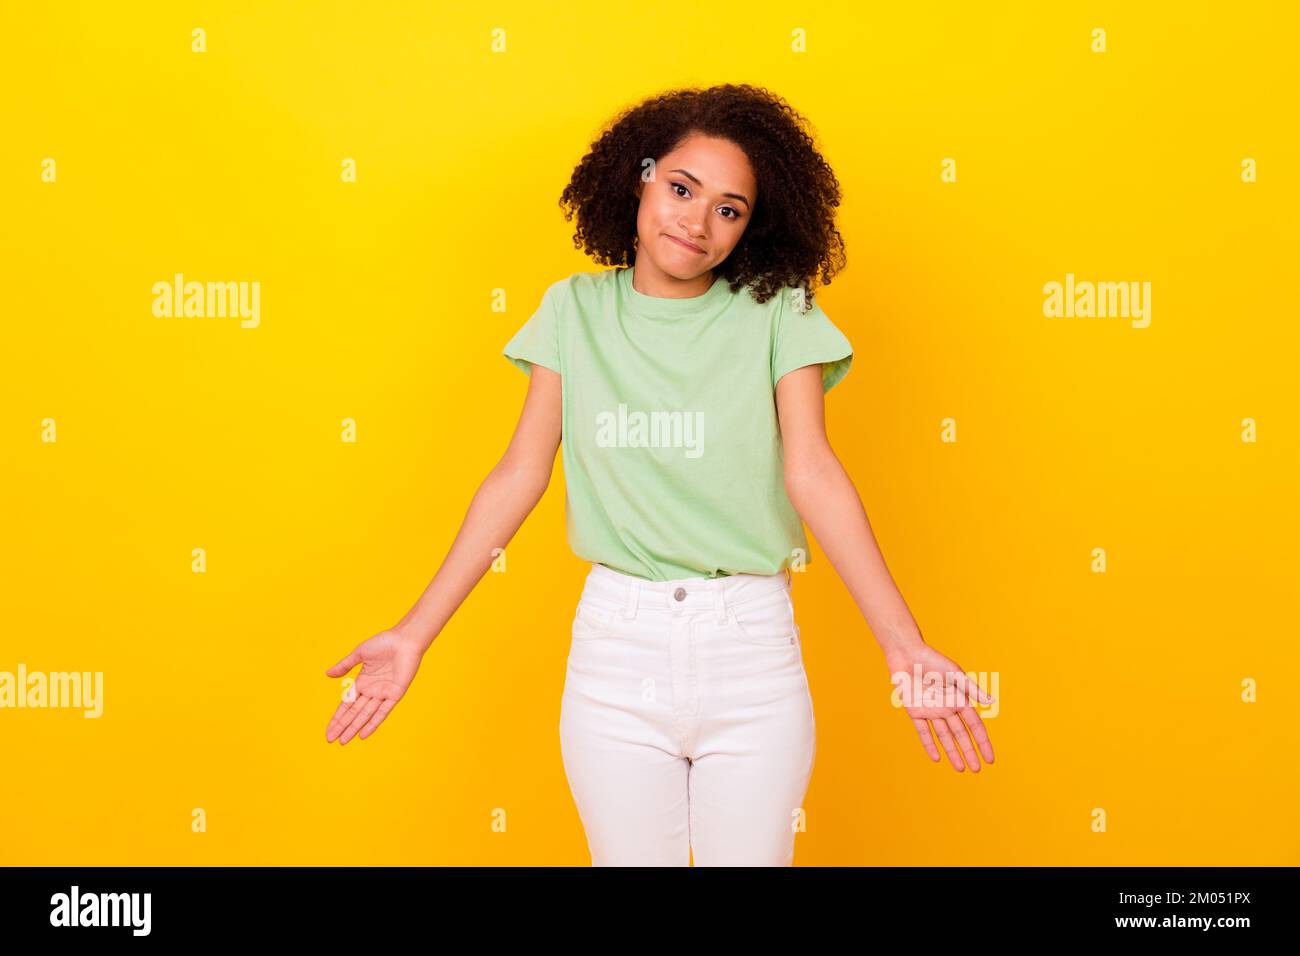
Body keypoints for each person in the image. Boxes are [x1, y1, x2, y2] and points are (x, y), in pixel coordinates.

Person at [324, 83, 996, 866]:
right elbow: (517, 475)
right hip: (616, 650)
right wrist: (414, 634)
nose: (697, 220)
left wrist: (903, 646)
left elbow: (813, 471)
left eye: (729, 208)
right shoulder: (573, 312)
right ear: (637, 179)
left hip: (749, 647)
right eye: (681, 188)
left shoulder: (781, 309)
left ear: (753, 227)